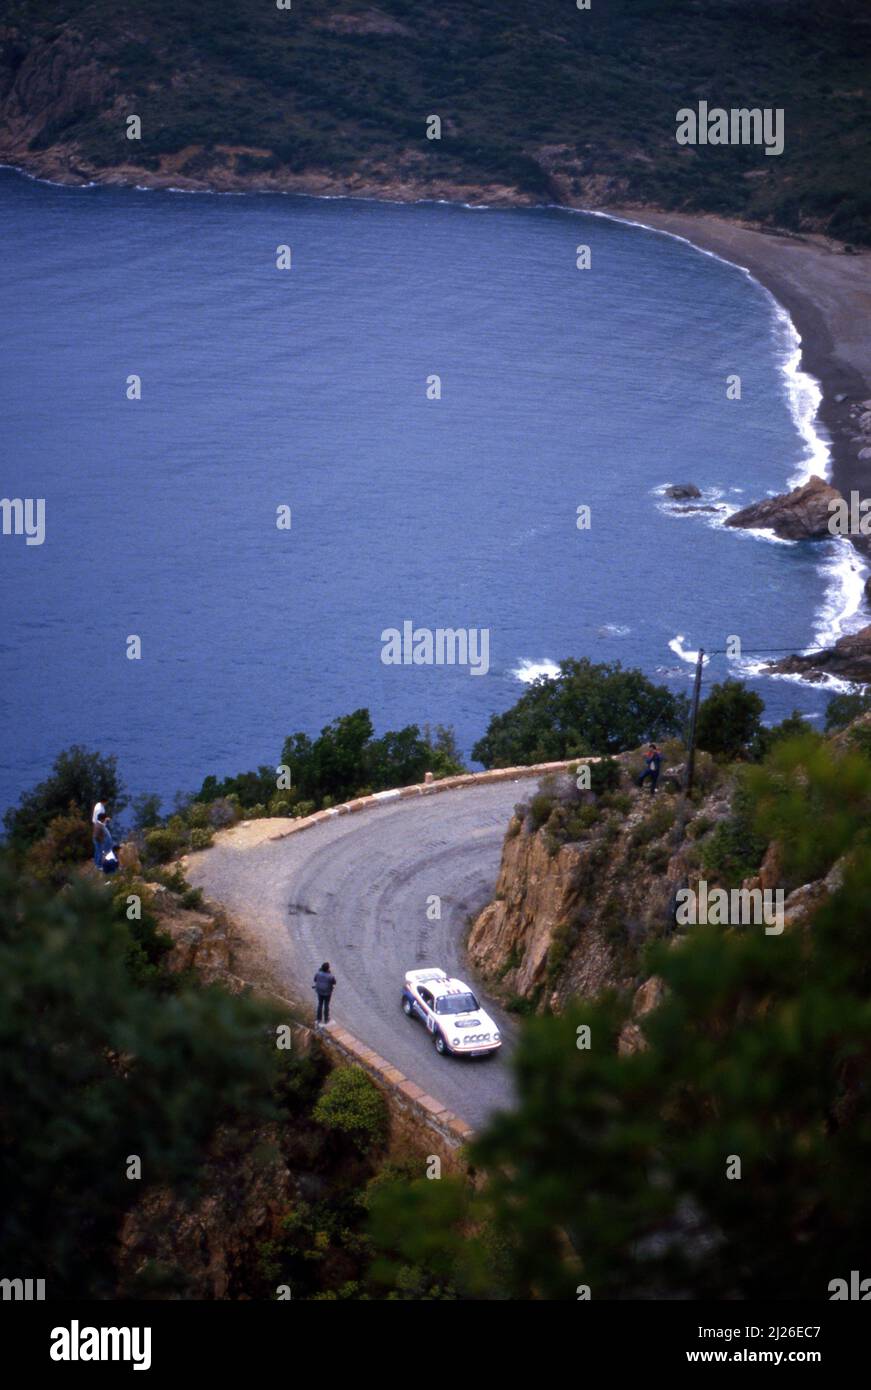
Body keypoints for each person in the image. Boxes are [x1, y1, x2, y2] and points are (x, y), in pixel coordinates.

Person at [92, 799, 107, 867]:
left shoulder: (98, 805)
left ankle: (96, 863)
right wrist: (101, 839)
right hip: (98, 838)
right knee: (99, 851)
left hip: (96, 834)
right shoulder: (99, 809)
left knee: (97, 850)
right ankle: (98, 865)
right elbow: (98, 835)